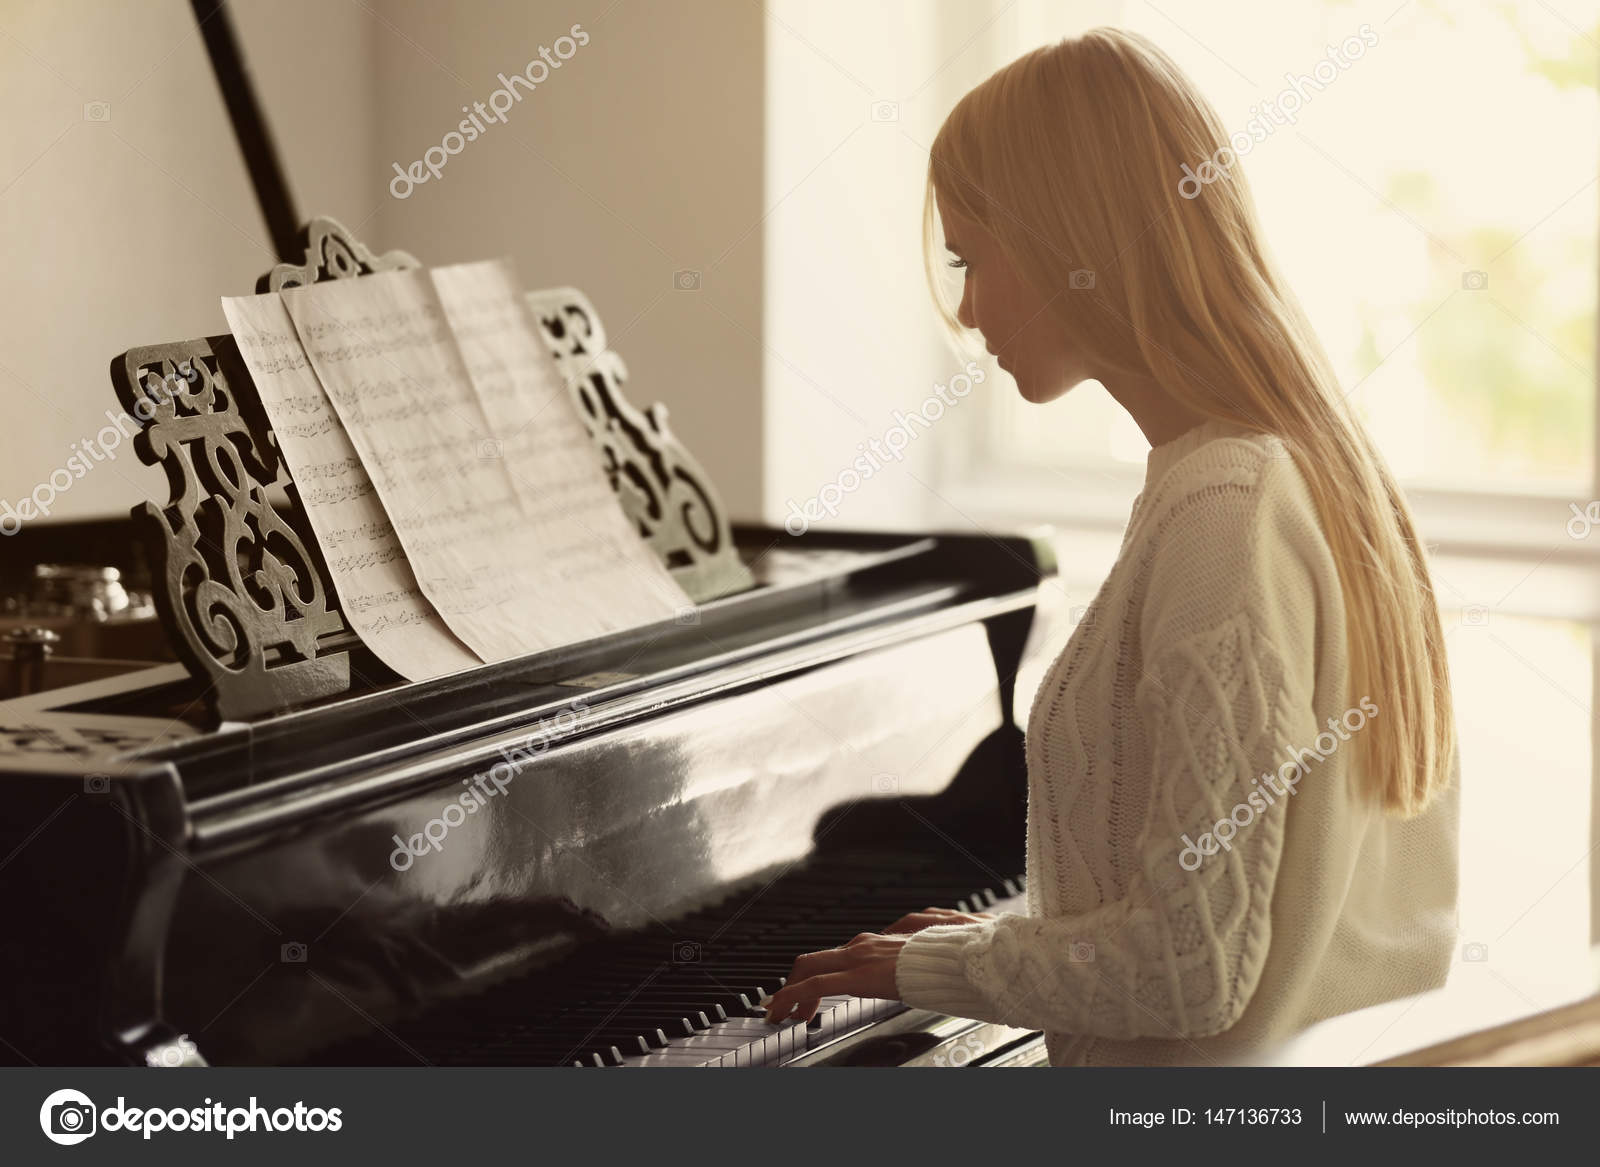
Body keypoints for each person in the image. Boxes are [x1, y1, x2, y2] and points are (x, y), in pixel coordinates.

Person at [760, 26, 1460, 1067]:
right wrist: (1001, 944)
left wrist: (939, 969)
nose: (962, 310)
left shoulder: (1223, 510)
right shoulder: (1299, 469)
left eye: (971, 259)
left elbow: (1185, 969)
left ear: (1068, 245)